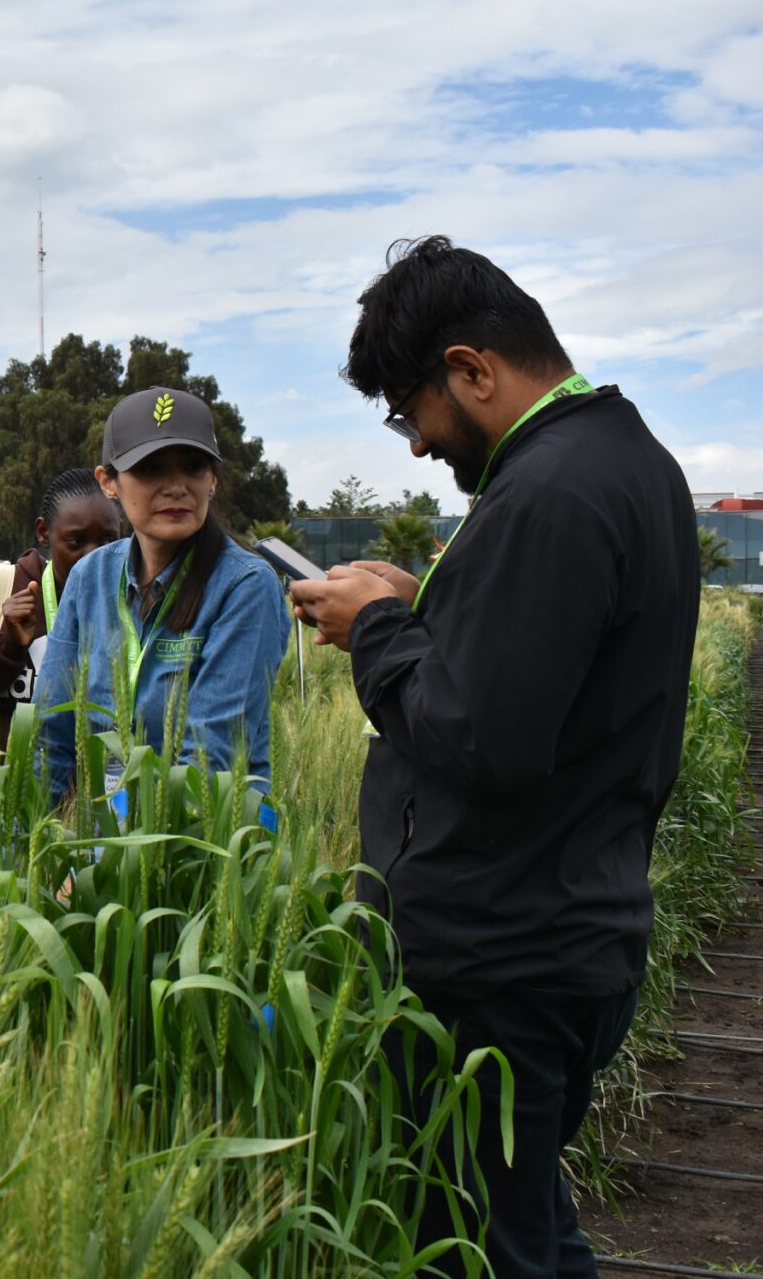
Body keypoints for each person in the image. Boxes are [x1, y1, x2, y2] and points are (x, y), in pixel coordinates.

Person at [290, 237, 696, 1278]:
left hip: (503, 962)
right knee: (523, 1230)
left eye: (406, 409)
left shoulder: (545, 496)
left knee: (477, 1248)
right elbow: (532, 687)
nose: (416, 446)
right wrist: (411, 604)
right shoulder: (622, 463)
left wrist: (376, 629)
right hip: (562, 928)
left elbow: (484, 740)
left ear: (469, 370)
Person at [34, 388, 288, 801]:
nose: (176, 487)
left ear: (213, 479)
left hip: (207, 848)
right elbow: (50, 738)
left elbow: (208, 763)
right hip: (98, 840)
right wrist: (30, 846)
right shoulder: (90, 578)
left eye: (193, 467)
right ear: (108, 482)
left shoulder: (245, 587)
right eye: (150, 468)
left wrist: (117, 859)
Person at [0, 468, 120, 738]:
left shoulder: (129, 602)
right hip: (2, 779)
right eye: (76, 541)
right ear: (43, 532)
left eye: (109, 541)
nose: (93, 557)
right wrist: (8, 648)